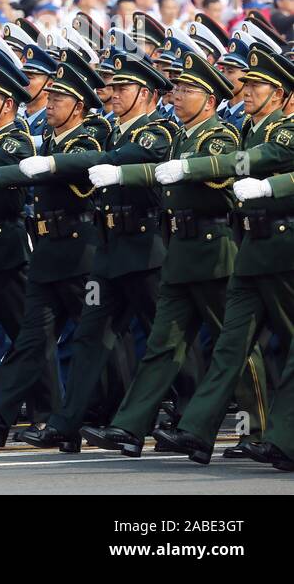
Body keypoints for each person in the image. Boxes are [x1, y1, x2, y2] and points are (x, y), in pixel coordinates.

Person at [16, 54, 176, 451]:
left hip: (145, 249)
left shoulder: (159, 129)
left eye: (123, 88)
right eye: (113, 87)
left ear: (147, 93)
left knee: (167, 338)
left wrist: (90, 163)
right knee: (90, 336)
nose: (114, 94)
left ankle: (187, 416)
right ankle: (67, 424)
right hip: (108, 252)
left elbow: (124, 159)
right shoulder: (112, 131)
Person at [154, 47, 294, 466]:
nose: (246, 91)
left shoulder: (284, 131)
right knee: (230, 345)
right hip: (252, 251)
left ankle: (284, 438)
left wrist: (194, 169)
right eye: (246, 83)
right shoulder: (249, 128)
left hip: (285, 251)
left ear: (281, 94)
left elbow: (261, 159)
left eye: (256, 86)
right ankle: (197, 431)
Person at [0, 52, 105, 444]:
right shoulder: (46, 139)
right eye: (51, 96)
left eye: (59, 98)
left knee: (98, 339)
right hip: (47, 252)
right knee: (30, 340)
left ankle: (115, 410)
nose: (50, 104)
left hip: (80, 252)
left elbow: (78, 167)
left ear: (78, 106)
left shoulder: (87, 137)